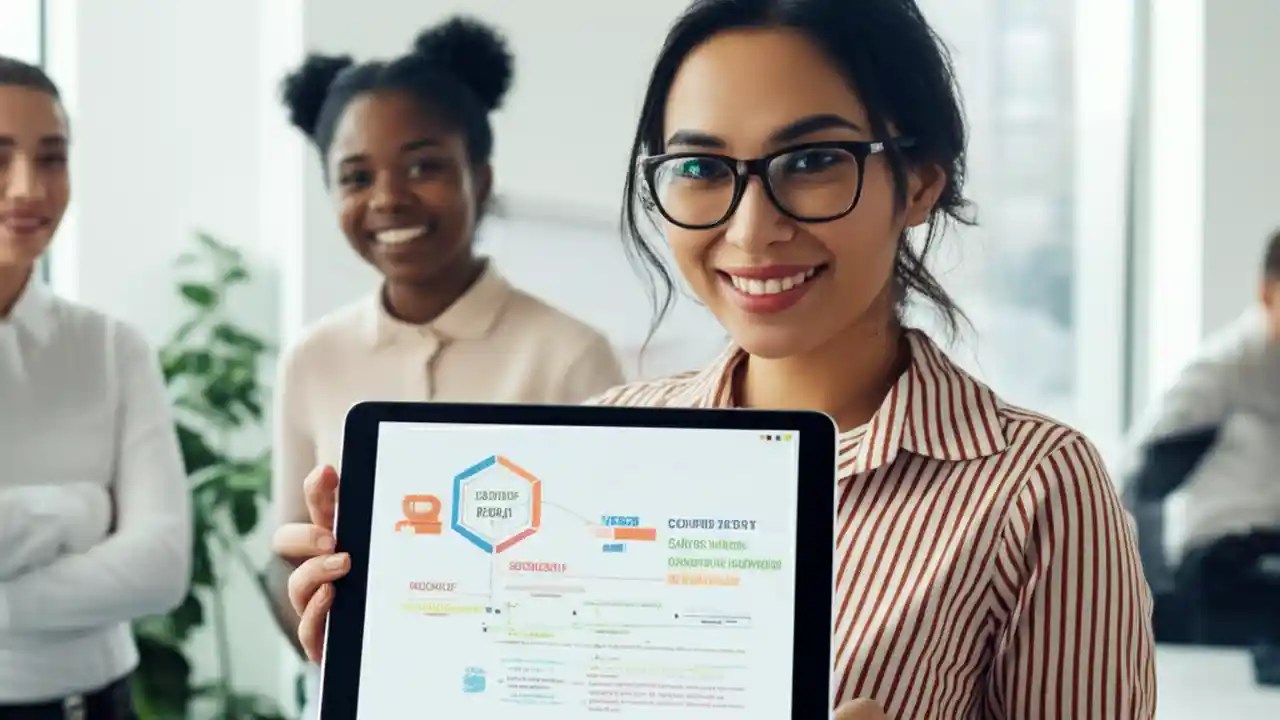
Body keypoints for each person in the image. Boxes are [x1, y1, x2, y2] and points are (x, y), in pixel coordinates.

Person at [274, 1, 1156, 717]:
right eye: (700, 167)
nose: (750, 229)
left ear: (920, 177)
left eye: (811, 160)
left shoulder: (1036, 487)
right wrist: (400, 665)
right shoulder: (600, 441)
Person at [266, 16, 625, 715]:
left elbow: (609, 564)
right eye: (355, 176)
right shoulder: (313, 357)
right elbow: (286, 548)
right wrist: (317, 611)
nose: (388, 197)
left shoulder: (572, 353)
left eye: (424, 165)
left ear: (480, 178)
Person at [0, 56, 191, 718]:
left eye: (51, 158)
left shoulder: (113, 347)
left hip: (97, 705)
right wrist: (79, 511)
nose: (27, 188)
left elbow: (162, 564)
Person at [1124, 228, 1280, 643]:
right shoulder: (1220, 371)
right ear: (1267, 294)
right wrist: (1149, 599)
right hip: (1223, 560)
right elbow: (1141, 481)